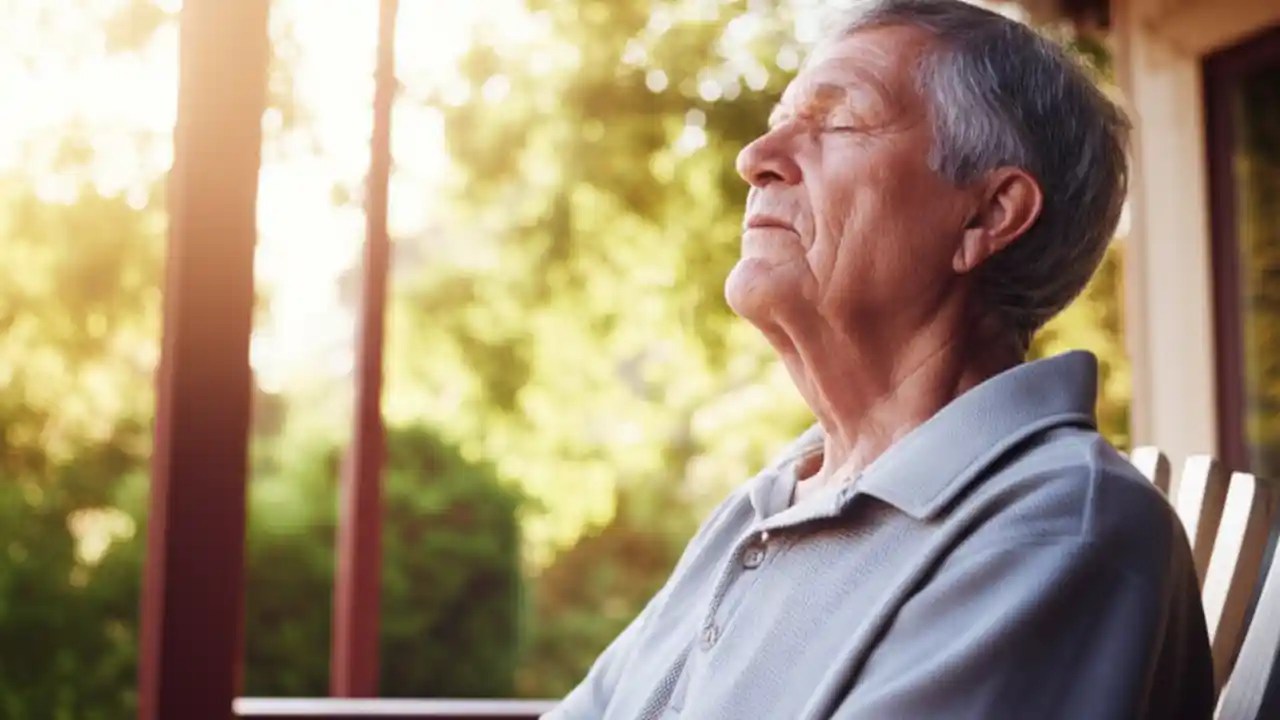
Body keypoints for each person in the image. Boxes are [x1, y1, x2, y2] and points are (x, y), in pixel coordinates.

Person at [544, 0, 1214, 718]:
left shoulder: (1056, 528)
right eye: (779, 122)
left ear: (988, 216)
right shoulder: (773, 502)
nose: (755, 158)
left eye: (837, 122)